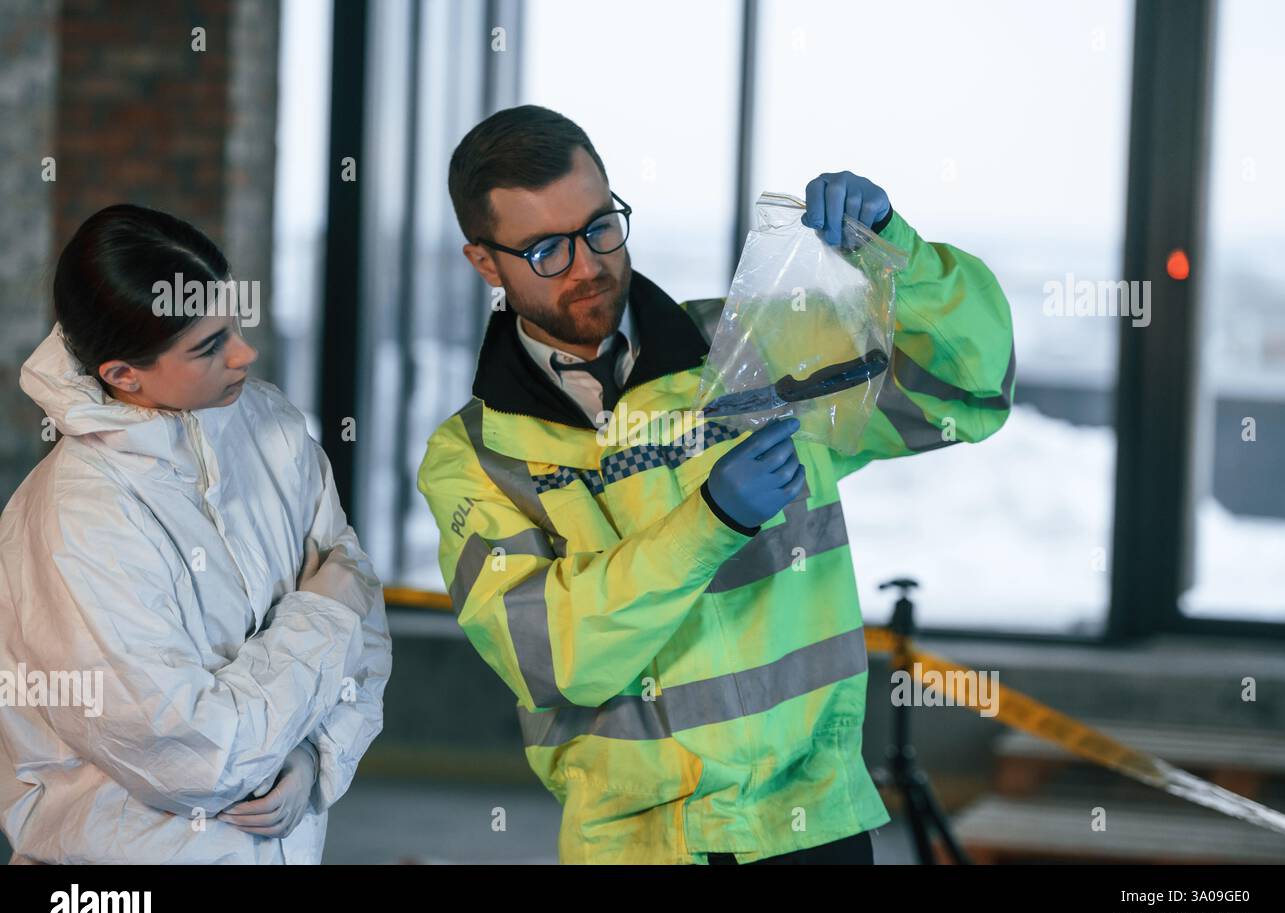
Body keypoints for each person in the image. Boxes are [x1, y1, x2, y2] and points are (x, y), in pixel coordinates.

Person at [418, 105, 1015, 864]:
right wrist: (710, 522)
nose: (587, 265)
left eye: (601, 227)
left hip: (812, 826)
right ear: (484, 262)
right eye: (544, 250)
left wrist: (897, 251)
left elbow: (969, 395)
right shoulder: (474, 457)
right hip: (636, 849)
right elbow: (556, 661)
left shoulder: (759, 349)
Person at [0, 204, 391, 864]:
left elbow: (367, 631)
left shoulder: (274, 431)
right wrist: (322, 614)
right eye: (209, 346)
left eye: (234, 321)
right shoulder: (77, 517)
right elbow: (196, 758)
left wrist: (313, 757)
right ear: (123, 375)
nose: (245, 352)